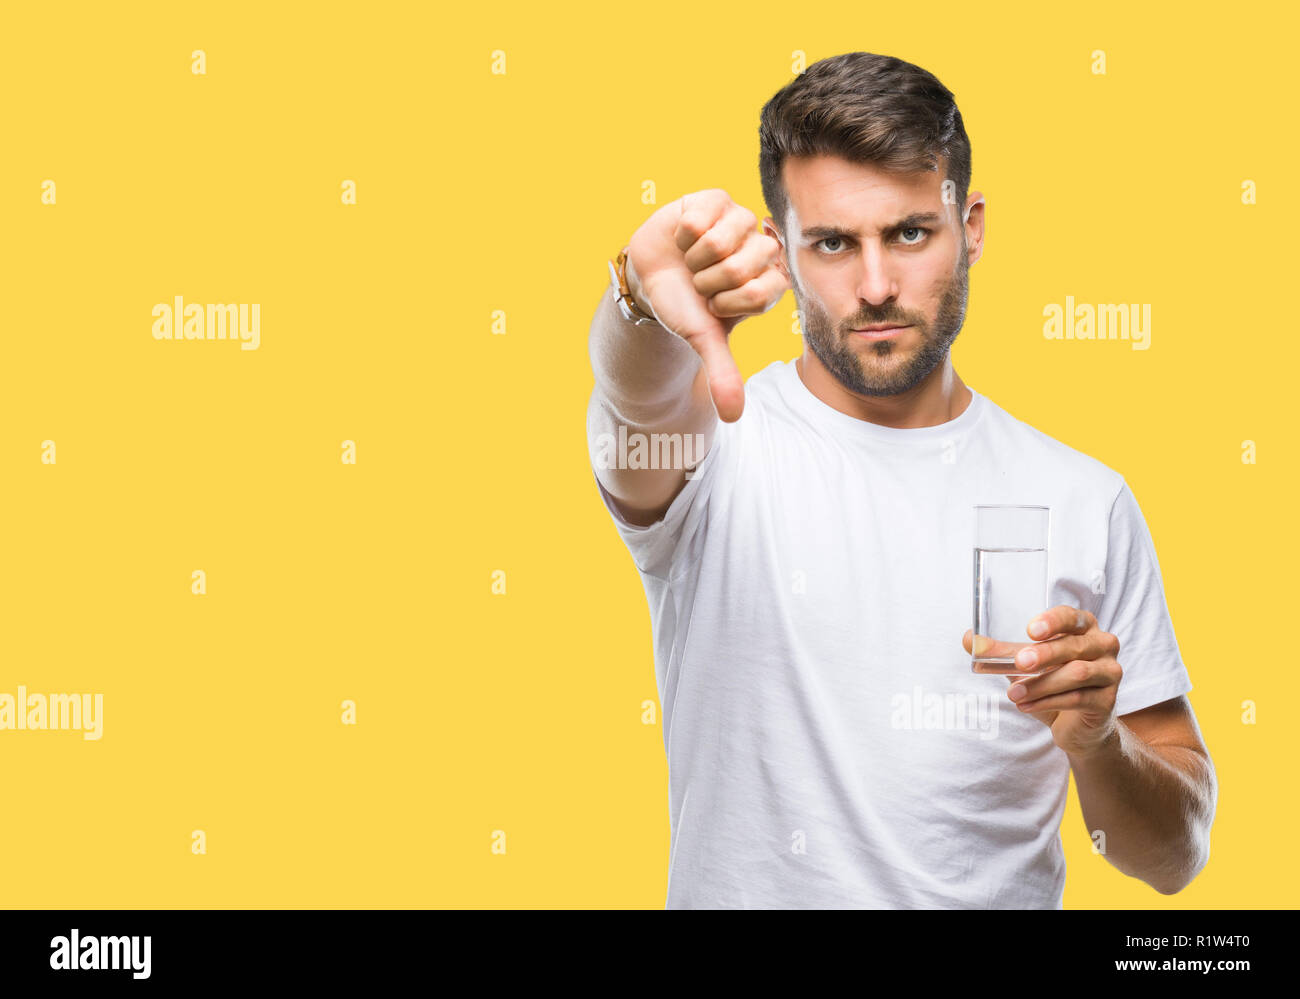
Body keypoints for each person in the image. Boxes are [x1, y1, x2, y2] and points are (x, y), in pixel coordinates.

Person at [586, 51, 1216, 908]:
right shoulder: (713, 448)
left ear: (974, 224)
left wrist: (1100, 745)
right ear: (785, 248)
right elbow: (637, 402)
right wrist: (638, 303)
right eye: (835, 243)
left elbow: (1175, 857)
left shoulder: (1085, 498)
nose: (876, 286)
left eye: (911, 233)